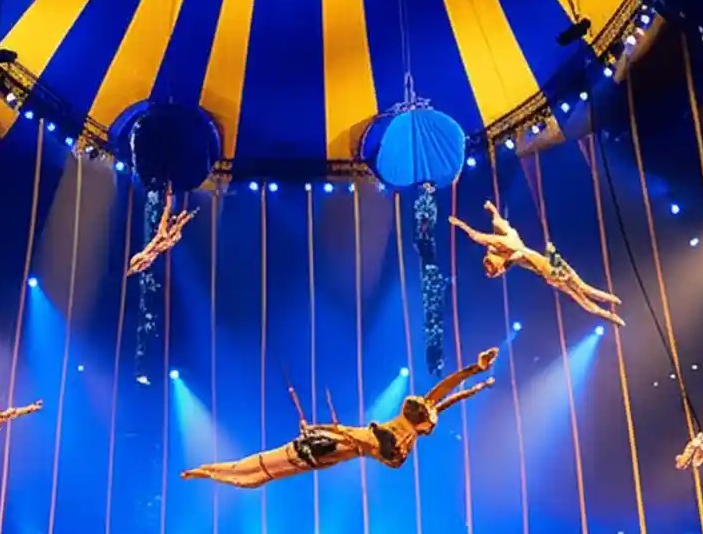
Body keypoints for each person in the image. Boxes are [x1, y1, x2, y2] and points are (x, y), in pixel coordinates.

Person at [181, 348, 497, 488]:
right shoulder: (388, 434)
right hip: (329, 448)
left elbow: (446, 396)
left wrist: (476, 375)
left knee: (257, 475)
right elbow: (445, 394)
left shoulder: (405, 430)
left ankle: (211, 471)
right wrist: (314, 429)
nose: (432, 408)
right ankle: (209, 471)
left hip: (331, 450)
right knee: (257, 471)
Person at [449, 201, 625, 327]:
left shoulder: (507, 246)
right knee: (583, 291)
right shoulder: (509, 240)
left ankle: (612, 306)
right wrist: (491, 209)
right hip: (551, 265)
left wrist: (461, 225)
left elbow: (478, 236)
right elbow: (497, 221)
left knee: (583, 295)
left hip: (550, 270)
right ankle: (612, 305)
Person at [128, 189, 198, 276]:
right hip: (153, 249)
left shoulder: (166, 232)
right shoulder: (165, 233)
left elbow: (170, 214)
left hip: (157, 246)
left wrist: (169, 199)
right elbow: (168, 214)